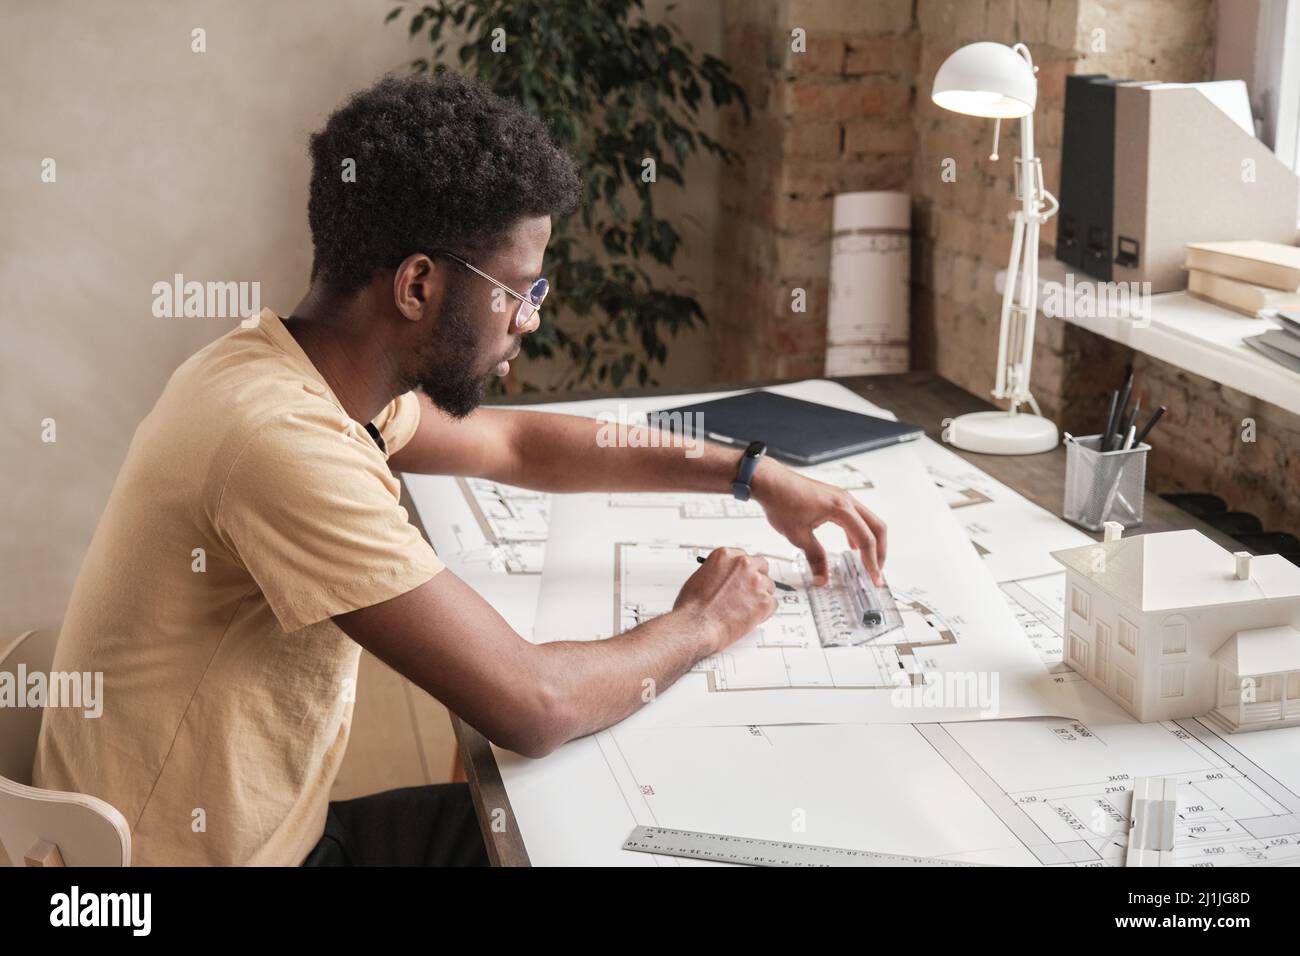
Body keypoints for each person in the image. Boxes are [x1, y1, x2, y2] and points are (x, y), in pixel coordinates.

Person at [33, 72, 887, 866]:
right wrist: (702, 622)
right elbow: (533, 704)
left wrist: (750, 473)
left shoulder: (297, 370)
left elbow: (519, 447)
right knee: (590, 834)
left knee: (538, 814)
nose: (530, 321)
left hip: (258, 834)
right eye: (521, 291)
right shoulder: (279, 441)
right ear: (417, 286)